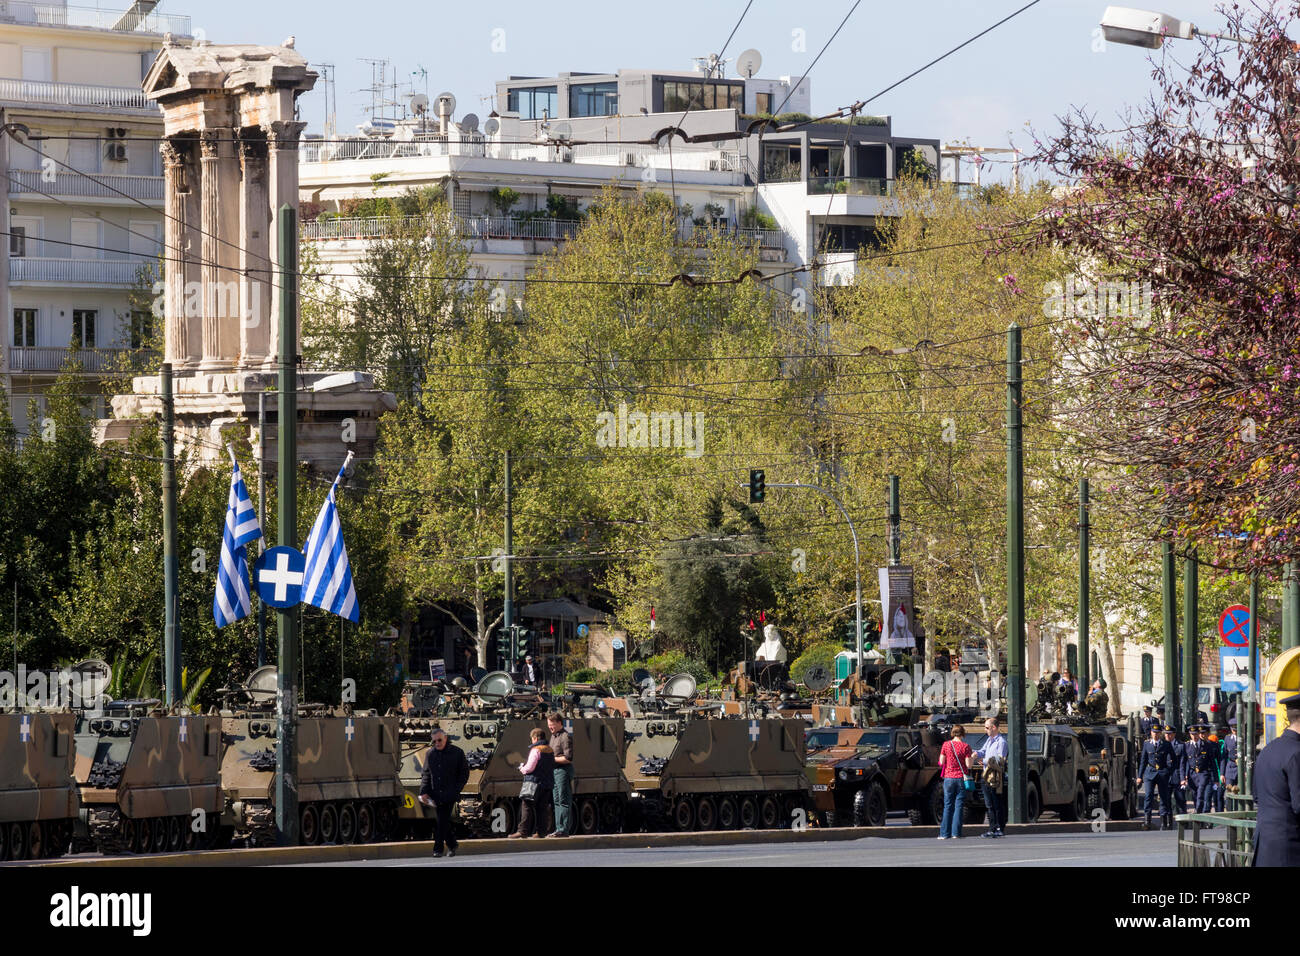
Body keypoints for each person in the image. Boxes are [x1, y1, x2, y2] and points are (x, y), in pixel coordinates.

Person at [1252, 691, 1300, 866]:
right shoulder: (1297, 753)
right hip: (1291, 848)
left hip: (1265, 845)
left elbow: (1256, 795)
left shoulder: (1268, 749)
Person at [418, 727, 470, 858]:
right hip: (435, 793)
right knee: (443, 821)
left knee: (441, 821)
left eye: (439, 740)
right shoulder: (430, 754)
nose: (437, 743)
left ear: (445, 738)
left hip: (450, 793)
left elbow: (464, 773)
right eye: (434, 741)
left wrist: (457, 789)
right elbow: (426, 774)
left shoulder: (457, 753)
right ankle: (452, 844)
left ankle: (438, 849)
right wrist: (423, 791)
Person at [510, 727, 555, 839]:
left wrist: (522, 768)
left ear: (535, 738)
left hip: (534, 783)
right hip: (547, 783)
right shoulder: (550, 750)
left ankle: (523, 831)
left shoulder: (536, 750)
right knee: (542, 808)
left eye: (532, 739)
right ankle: (541, 832)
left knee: (527, 806)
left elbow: (529, 768)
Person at [937, 724, 973, 840]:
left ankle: (944, 834)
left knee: (948, 806)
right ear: (963, 734)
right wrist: (972, 757)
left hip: (948, 778)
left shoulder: (946, 745)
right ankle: (956, 833)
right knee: (959, 806)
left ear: (953, 733)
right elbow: (968, 765)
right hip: (960, 779)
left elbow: (941, 762)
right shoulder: (966, 746)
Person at [1137, 724, 1177, 830]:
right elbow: (1143, 761)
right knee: (1148, 796)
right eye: (1154, 732)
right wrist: (1139, 776)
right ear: (1151, 732)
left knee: (1163, 797)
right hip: (1150, 772)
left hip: (1162, 773)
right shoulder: (1147, 744)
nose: (1155, 735)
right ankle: (1147, 820)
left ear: (1160, 733)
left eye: (1158, 732)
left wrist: (1169, 770)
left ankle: (1164, 821)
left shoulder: (1166, 744)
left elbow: (1174, 759)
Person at [973, 718, 1007, 838]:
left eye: (987, 727)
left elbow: (1000, 759)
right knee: (989, 804)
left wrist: (985, 760)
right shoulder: (989, 740)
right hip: (986, 775)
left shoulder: (1001, 742)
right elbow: (982, 751)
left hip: (995, 776)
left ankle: (1000, 828)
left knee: (997, 803)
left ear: (994, 727)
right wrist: (975, 753)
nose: (985, 729)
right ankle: (992, 828)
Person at [547, 712, 573, 838]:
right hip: (554, 771)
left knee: (563, 800)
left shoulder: (565, 736)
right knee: (556, 801)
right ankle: (558, 828)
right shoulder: (554, 737)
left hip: (563, 771)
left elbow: (568, 758)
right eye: (549, 725)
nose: (550, 727)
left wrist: (552, 760)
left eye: (552, 725)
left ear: (559, 723)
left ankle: (564, 829)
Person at [1186, 723, 1219, 814]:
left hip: (1204, 774)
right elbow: (1185, 763)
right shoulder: (1187, 746)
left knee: (1203, 796)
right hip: (1192, 775)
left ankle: (1200, 813)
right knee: (1196, 796)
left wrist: (1216, 778)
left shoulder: (1208, 746)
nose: (1197, 736)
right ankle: (1199, 816)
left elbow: (1213, 763)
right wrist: (1184, 776)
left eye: (1197, 734)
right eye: (1193, 734)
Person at [1217, 718, 1239, 813]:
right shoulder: (1227, 738)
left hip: (1240, 768)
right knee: (1229, 790)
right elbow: (1223, 757)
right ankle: (1230, 812)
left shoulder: (1245, 737)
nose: (1234, 731)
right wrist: (1222, 774)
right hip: (1230, 767)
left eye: (1236, 729)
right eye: (1233, 729)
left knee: (1239, 791)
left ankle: (1239, 812)